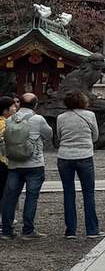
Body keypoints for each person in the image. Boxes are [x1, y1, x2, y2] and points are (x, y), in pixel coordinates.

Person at [2, 93, 53, 240]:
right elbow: (48, 135)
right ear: (35, 105)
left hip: (13, 163)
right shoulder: (38, 119)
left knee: (10, 197)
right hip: (34, 163)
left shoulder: (10, 119)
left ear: (19, 104)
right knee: (31, 197)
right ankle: (28, 230)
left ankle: (6, 230)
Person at [55, 90, 101, 240]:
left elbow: (59, 136)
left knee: (68, 192)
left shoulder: (60, 118)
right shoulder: (90, 116)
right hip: (85, 155)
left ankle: (70, 230)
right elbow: (95, 136)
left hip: (64, 156)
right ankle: (92, 229)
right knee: (88, 193)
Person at [0, 93, 14, 203]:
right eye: (12, 106)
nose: (14, 109)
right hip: (2, 160)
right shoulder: (4, 123)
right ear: (5, 110)